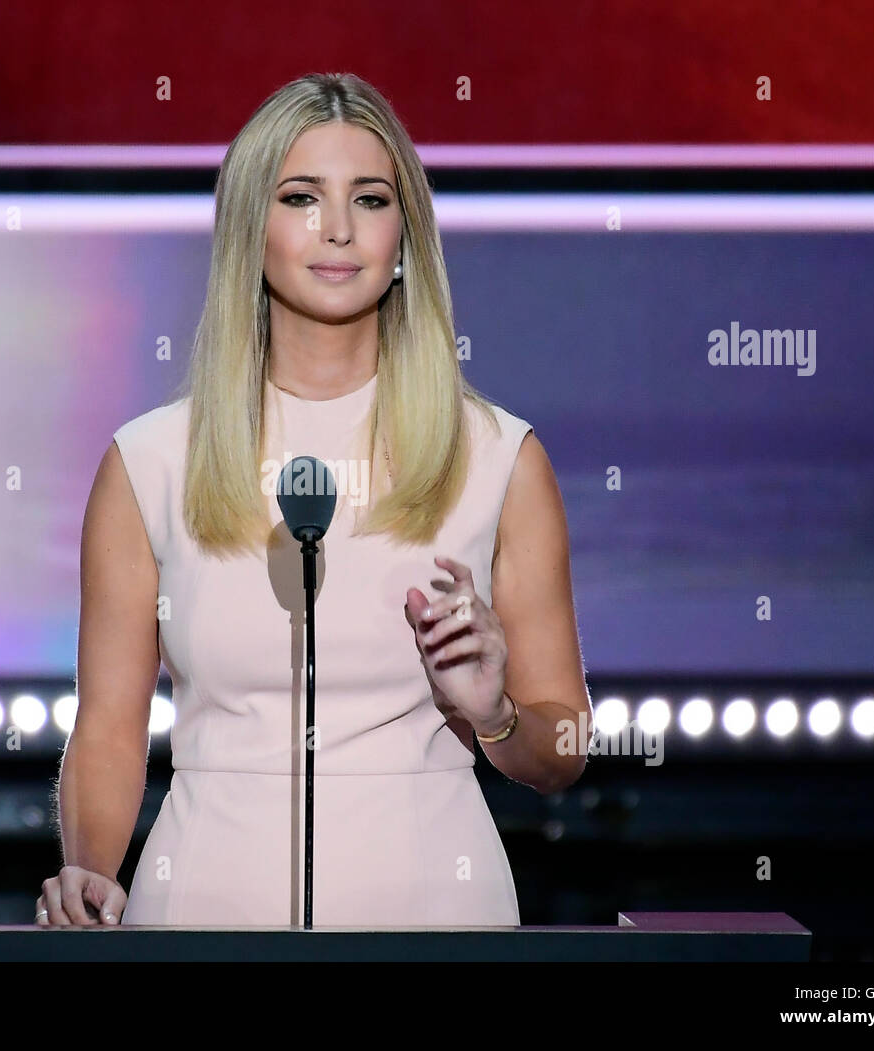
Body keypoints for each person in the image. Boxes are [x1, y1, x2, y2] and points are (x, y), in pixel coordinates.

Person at [37, 72, 591, 929]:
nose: (337, 228)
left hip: (441, 921)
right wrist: (87, 870)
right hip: (202, 920)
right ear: (249, 227)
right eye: (301, 197)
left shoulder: (499, 459)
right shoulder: (147, 463)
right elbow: (110, 730)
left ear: (405, 233)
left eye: (369, 199)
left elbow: (565, 749)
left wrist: (497, 713)